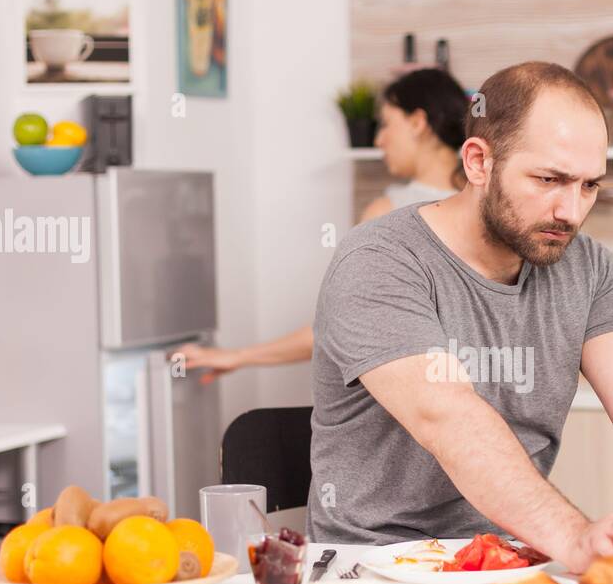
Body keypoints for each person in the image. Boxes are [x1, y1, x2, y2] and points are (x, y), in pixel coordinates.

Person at [308, 61, 613, 574]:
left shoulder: (588, 268)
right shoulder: (380, 260)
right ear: (478, 162)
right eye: (549, 179)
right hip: (370, 569)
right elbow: (447, 415)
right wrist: (577, 537)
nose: (570, 210)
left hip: (510, 561)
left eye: (589, 186)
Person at [178, 68, 470, 382]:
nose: (379, 139)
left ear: (417, 122)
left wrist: (238, 356)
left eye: (386, 124)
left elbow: (337, 328)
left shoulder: (387, 214)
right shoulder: (488, 207)